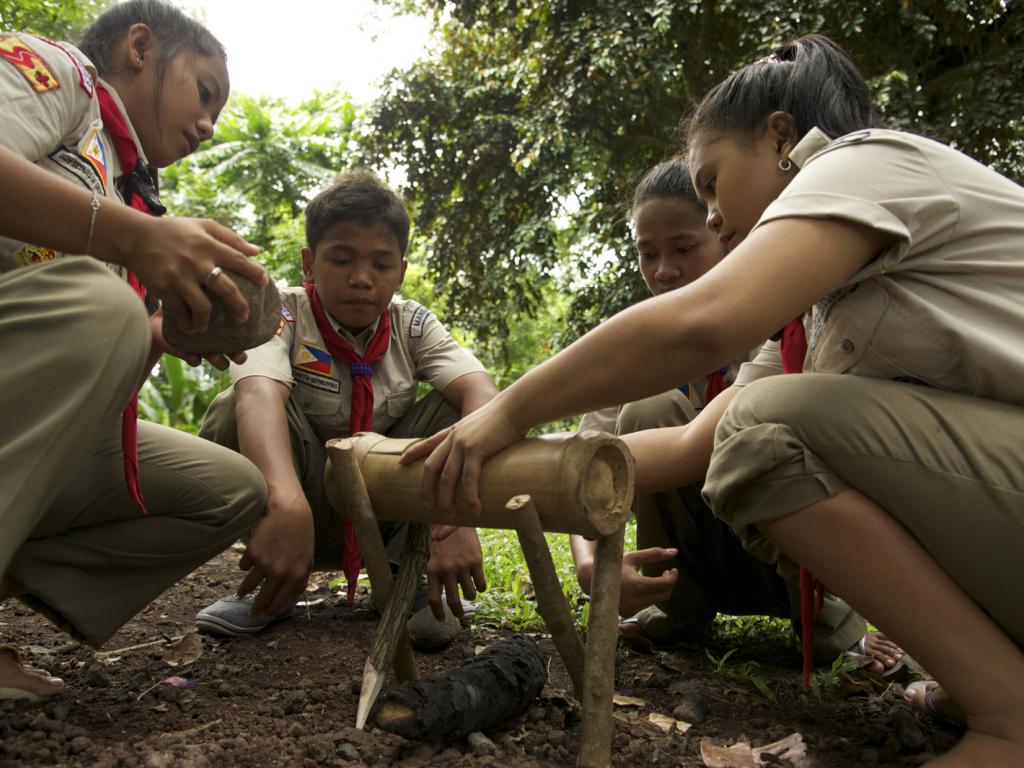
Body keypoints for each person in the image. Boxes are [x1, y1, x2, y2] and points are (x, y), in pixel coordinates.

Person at [409, 34, 1024, 767]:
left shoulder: (868, 162)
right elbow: (689, 444)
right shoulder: (819, 318)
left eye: (710, 184)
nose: (710, 218)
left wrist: (507, 410)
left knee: (767, 426)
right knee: (754, 428)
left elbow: (703, 327)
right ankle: (984, 677)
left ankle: (1008, 717)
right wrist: (488, 469)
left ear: (780, 136)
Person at [0, 0, 271, 702]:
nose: (209, 127)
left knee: (227, 491)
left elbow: (86, 367)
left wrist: (166, 334)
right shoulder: (62, 74)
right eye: (205, 93)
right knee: (104, 305)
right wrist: (134, 241)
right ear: (142, 47)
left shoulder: (128, 191)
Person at [571, 158, 902, 674]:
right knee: (649, 408)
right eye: (647, 253)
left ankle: (832, 626)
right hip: (694, 560)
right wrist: (589, 563)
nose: (663, 270)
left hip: (794, 560)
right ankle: (680, 608)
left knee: (774, 428)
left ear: (723, 234)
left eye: (683, 248)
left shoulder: (790, 326)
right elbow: (588, 459)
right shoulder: (638, 346)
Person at [196, 170, 498, 646]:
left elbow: (485, 396)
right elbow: (257, 391)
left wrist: (456, 512)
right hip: (302, 508)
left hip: (386, 506)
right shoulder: (284, 313)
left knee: (457, 409)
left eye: (381, 264)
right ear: (309, 263)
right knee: (232, 406)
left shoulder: (413, 325)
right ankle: (279, 583)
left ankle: (400, 577)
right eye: (341, 260)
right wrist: (285, 500)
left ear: (400, 270)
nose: (362, 279)